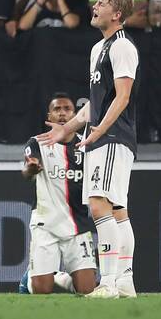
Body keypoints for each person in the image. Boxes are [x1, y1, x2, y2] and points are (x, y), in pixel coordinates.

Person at [35, 0, 139, 299]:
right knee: (118, 210)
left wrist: (98, 131)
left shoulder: (123, 46)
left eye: (103, 3)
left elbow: (122, 97)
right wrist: (66, 131)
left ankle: (107, 282)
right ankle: (124, 280)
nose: (95, 5)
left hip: (112, 135)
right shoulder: (99, 49)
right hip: (102, 134)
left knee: (99, 206)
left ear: (116, 13)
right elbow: (96, 102)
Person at [20, 92, 97, 294]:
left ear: (75, 115)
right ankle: (29, 278)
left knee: (88, 291)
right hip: (47, 224)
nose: (62, 113)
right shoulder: (37, 142)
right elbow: (27, 170)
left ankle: (61, 277)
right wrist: (31, 169)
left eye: (67, 109)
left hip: (77, 225)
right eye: (57, 109)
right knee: (41, 291)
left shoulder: (87, 145)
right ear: (49, 116)